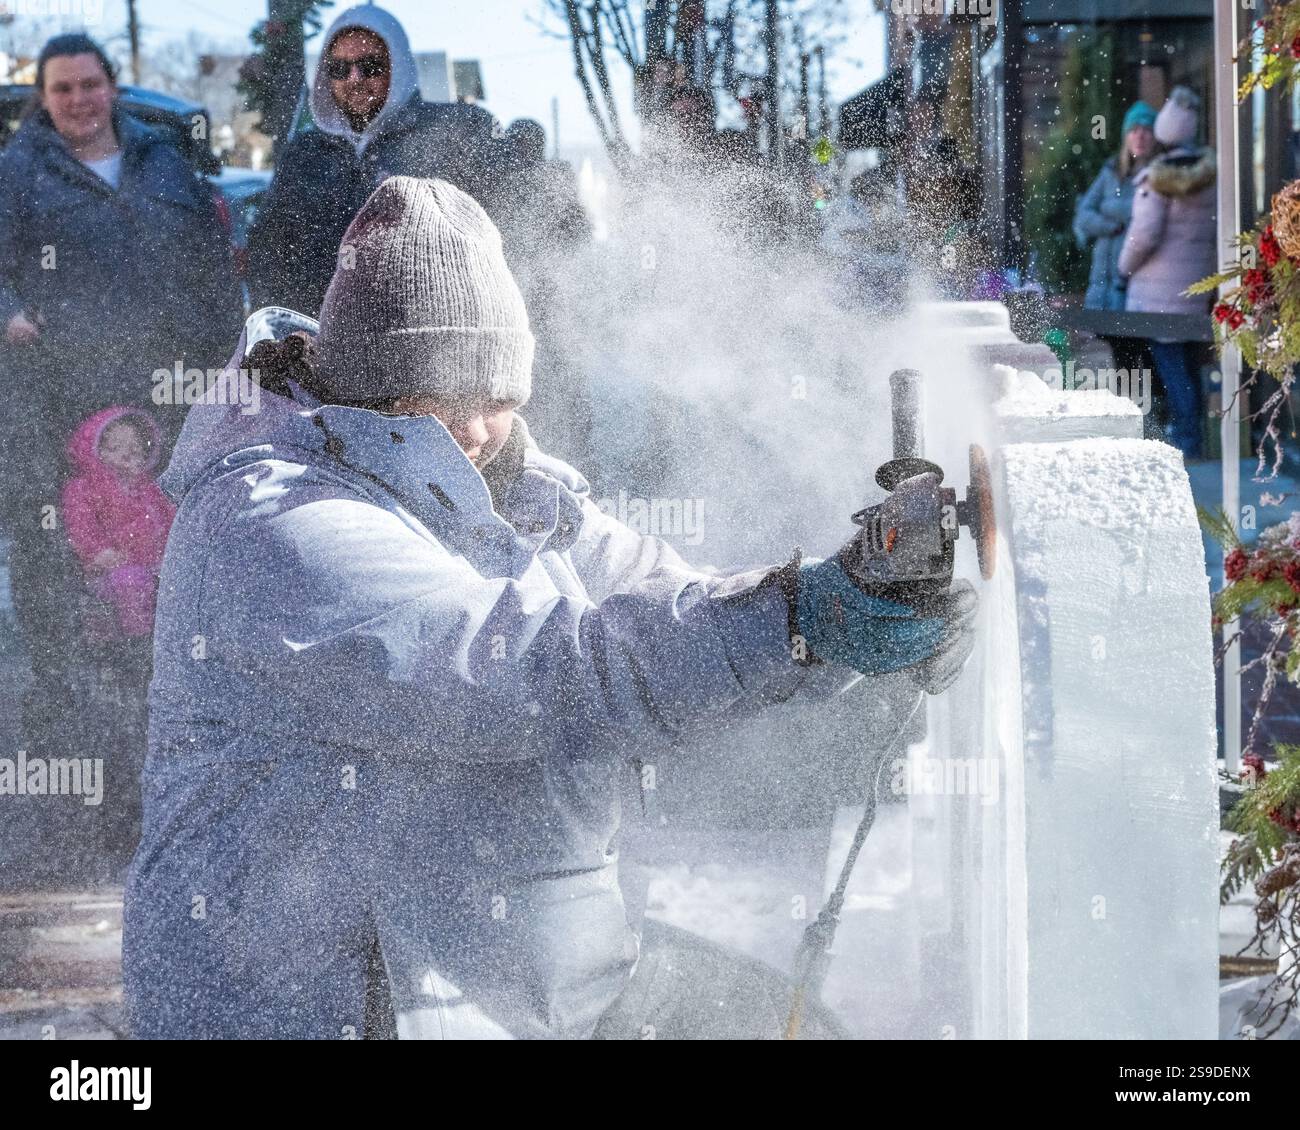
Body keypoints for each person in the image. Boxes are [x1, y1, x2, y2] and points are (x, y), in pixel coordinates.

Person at [123, 177, 978, 1039]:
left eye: (496, 393)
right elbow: (545, 672)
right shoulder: (274, 528)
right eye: (441, 391)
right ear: (363, 386)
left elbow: (669, 599)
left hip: (493, 978)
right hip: (319, 1004)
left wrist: (859, 608)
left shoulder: (507, 495)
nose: (477, 427)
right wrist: (799, 619)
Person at [0, 33, 239, 761]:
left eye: (89, 85)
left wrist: (224, 351)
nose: (78, 100)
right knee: (66, 552)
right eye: (62, 89)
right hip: (61, 398)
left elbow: (213, 261)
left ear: (114, 88)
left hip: (163, 392)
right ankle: (66, 726)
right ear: (44, 99)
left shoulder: (163, 161)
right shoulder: (17, 172)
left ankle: (182, 714)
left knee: (173, 542)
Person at [247, 3, 507, 316]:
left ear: (398, 66)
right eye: (340, 68)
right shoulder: (306, 154)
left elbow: (509, 235)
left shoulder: (452, 135)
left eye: (370, 65)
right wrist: (286, 335)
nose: (354, 78)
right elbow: (268, 252)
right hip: (324, 347)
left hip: (424, 343)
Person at [1118, 87, 1217, 460]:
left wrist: (1122, 268)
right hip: (1198, 291)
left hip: (1158, 297)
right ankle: (1197, 436)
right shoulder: (1214, 177)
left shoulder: (1156, 180)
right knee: (1190, 369)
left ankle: (1187, 442)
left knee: (1173, 371)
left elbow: (1143, 235)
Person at [62, 408, 175, 642]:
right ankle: (138, 641)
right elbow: (81, 526)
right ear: (95, 452)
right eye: (115, 447)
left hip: (155, 564)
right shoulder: (84, 489)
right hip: (109, 568)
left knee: (175, 586)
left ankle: (167, 634)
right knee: (131, 583)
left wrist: (174, 551)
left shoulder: (150, 488)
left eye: (135, 446)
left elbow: (170, 519)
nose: (127, 452)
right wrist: (98, 552)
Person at [1074, 101, 1158, 374]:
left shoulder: (1158, 174)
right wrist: (1110, 225)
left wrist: (1112, 209)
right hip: (1103, 284)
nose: (1140, 136)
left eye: (1146, 130)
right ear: (1125, 136)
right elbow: (1083, 215)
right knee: (1119, 361)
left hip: (1137, 285)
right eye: (1134, 130)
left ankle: (1151, 415)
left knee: (1143, 362)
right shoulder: (1111, 172)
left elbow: (1147, 218)